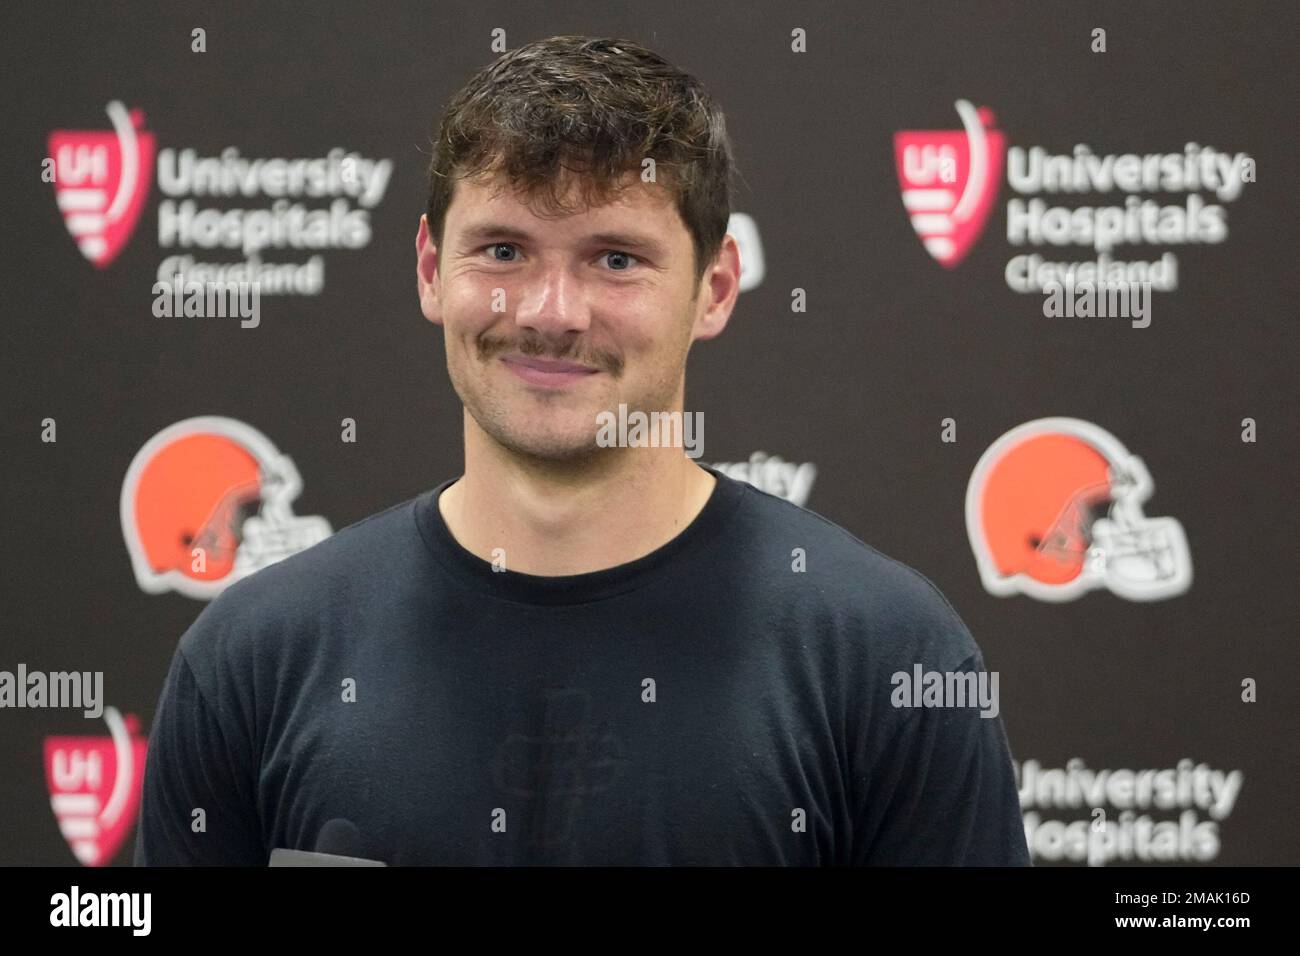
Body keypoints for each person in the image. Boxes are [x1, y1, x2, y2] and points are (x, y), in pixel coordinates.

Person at [135, 34, 1030, 866]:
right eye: (502, 250)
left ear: (715, 288)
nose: (550, 311)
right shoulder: (251, 661)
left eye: (614, 260)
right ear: (428, 271)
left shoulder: (889, 660)